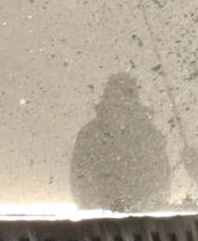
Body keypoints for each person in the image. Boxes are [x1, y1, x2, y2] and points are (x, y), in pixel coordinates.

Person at [67, 71, 178, 212]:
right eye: (114, 97)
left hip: (142, 219)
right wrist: (100, 206)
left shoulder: (150, 135)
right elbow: (79, 183)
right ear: (105, 99)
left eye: (124, 96)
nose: (119, 101)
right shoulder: (89, 135)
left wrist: (142, 207)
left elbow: (161, 183)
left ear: (135, 101)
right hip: (99, 220)